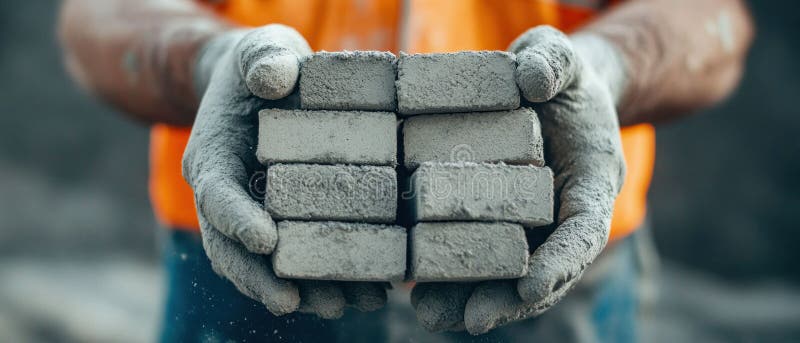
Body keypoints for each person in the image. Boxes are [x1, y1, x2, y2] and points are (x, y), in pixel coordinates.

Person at [59, 0, 754, 341]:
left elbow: (711, 17)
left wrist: (607, 66)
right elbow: (95, 16)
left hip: (550, 256)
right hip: (251, 248)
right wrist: (206, 59)